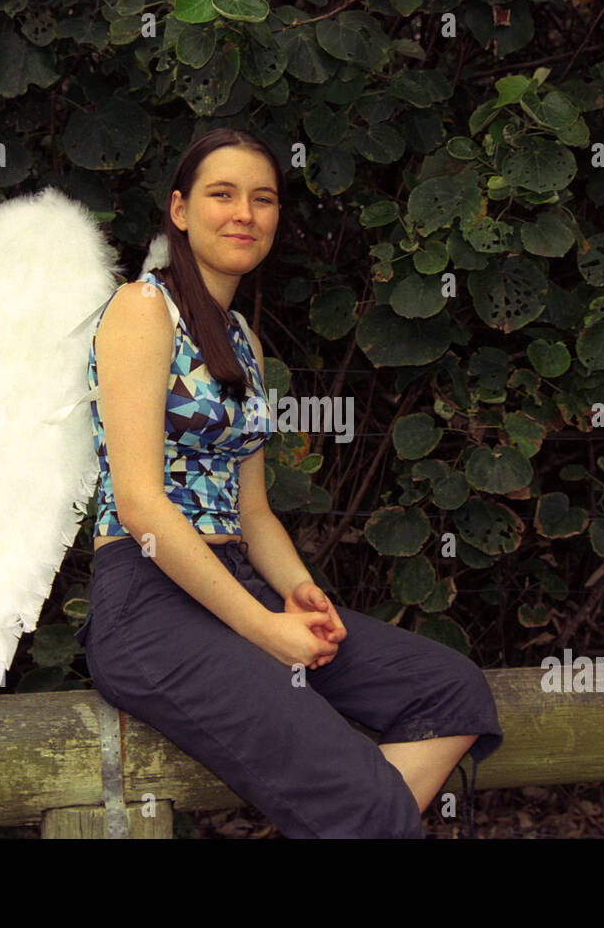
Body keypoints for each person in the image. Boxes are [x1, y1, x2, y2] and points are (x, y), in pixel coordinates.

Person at [74, 127, 504, 838]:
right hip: (148, 604)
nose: (244, 212)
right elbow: (140, 504)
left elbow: (256, 511)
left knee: (449, 690)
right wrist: (265, 630)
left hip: (241, 579)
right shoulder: (141, 310)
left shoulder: (243, 335)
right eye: (222, 194)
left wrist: (302, 594)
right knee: (365, 803)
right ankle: (364, 813)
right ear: (179, 210)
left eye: (263, 198)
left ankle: (362, 816)